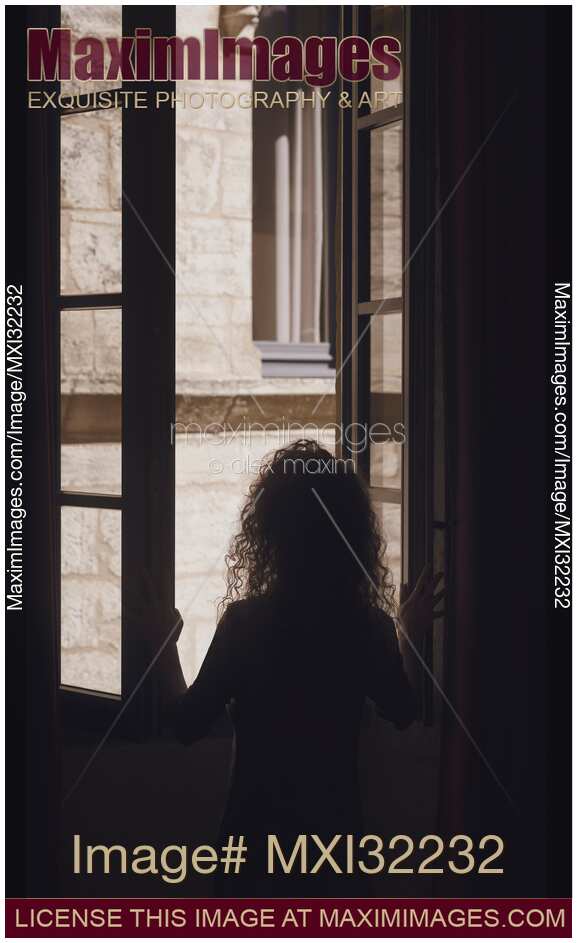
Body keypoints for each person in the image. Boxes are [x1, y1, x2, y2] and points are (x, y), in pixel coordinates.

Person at [153, 439, 443, 896]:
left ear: (269, 534)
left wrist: (164, 643)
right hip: (335, 849)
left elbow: (187, 725)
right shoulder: (365, 626)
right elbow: (404, 711)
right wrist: (410, 632)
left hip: (251, 847)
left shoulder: (246, 623)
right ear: (352, 533)